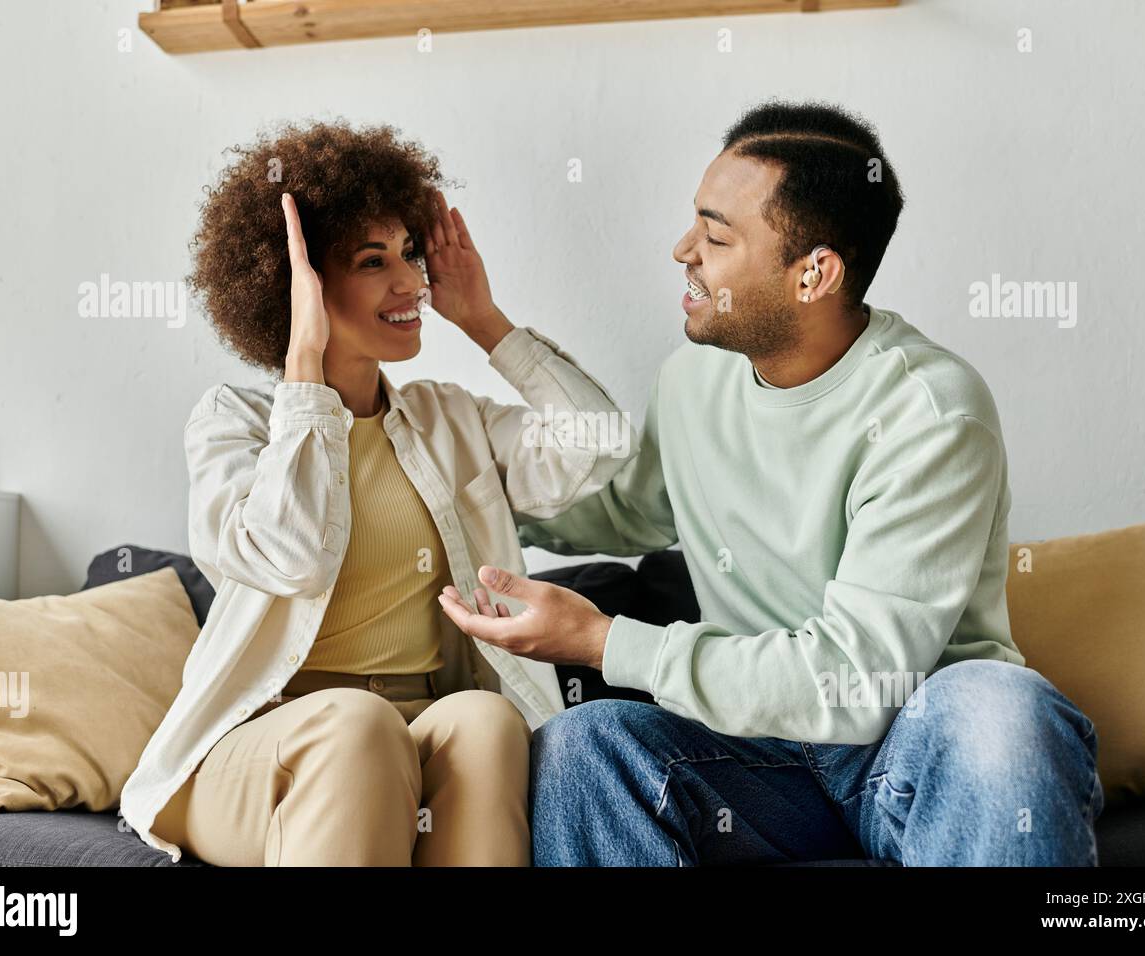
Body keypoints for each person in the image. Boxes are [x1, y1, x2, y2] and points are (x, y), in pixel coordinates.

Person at [437, 100, 1104, 866]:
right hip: (756, 765)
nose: (682, 249)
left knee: (1001, 712)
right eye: (695, 223)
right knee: (584, 745)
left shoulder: (931, 412)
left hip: (910, 752)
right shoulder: (694, 383)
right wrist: (451, 451)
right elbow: (624, 512)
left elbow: (858, 683)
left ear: (813, 273)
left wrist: (602, 641)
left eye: (717, 236)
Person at [119, 120, 636, 866]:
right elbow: (288, 556)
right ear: (298, 285)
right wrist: (305, 361)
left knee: (488, 722)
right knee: (356, 725)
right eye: (372, 261)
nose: (410, 282)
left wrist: (485, 321)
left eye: (410, 254)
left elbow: (599, 444)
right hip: (267, 749)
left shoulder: (447, 418)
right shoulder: (237, 423)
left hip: (411, 734)